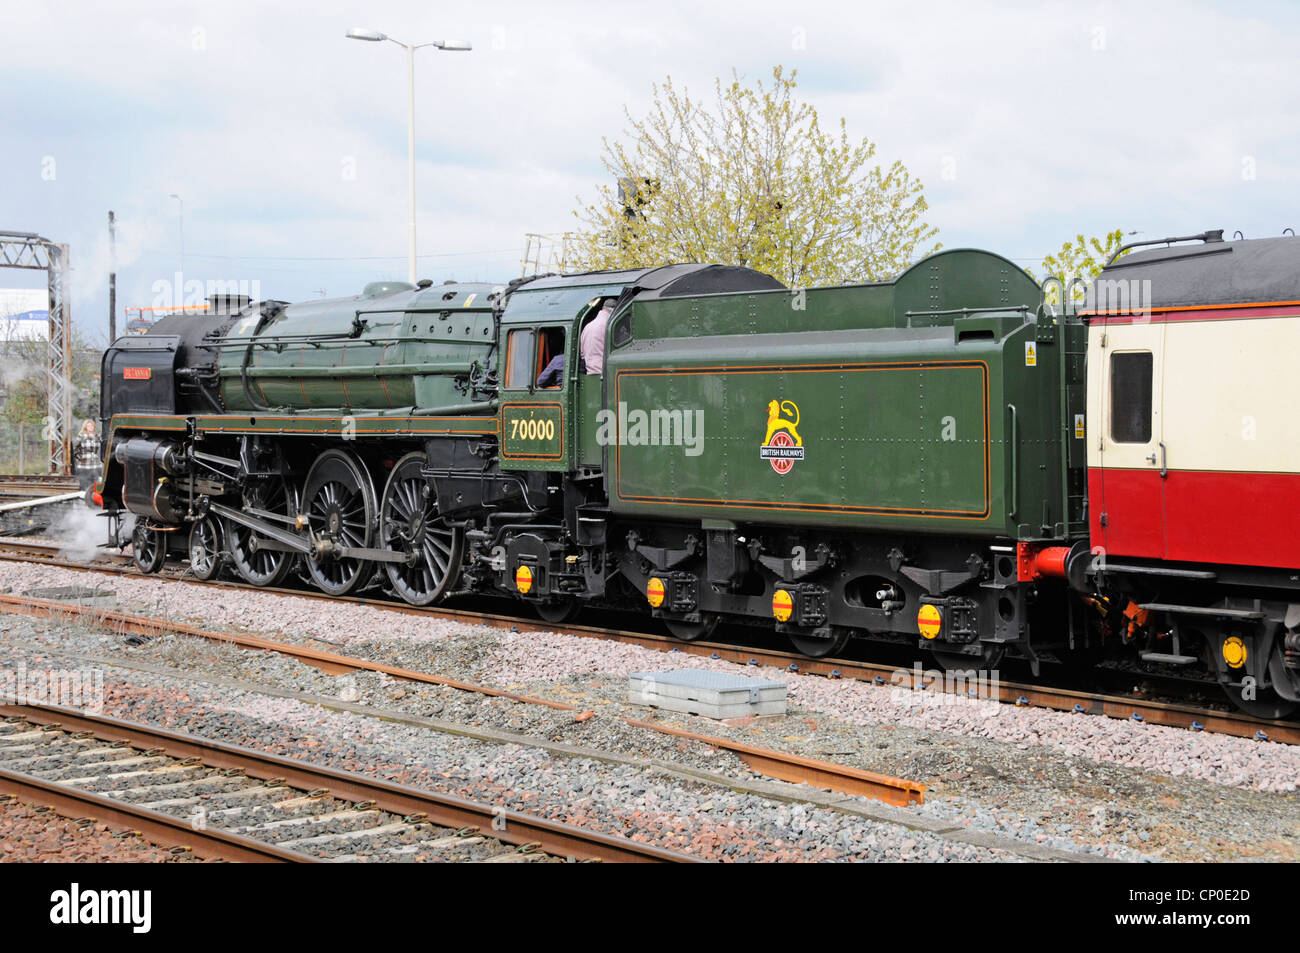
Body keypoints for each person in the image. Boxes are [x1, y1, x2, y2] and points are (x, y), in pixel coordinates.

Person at [579, 298, 615, 375]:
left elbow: (582, 355)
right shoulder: (611, 326)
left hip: (590, 374)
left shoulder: (587, 327)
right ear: (613, 311)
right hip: (608, 375)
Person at [75, 419, 100, 490]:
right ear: (85, 427)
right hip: (84, 466)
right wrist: (81, 458)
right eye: (88, 426)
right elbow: (75, 449)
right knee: (84, 486)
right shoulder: (81, 437)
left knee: (95, 486)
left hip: (95, 465)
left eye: (92, 425)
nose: (90, 427)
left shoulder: (98, 436)